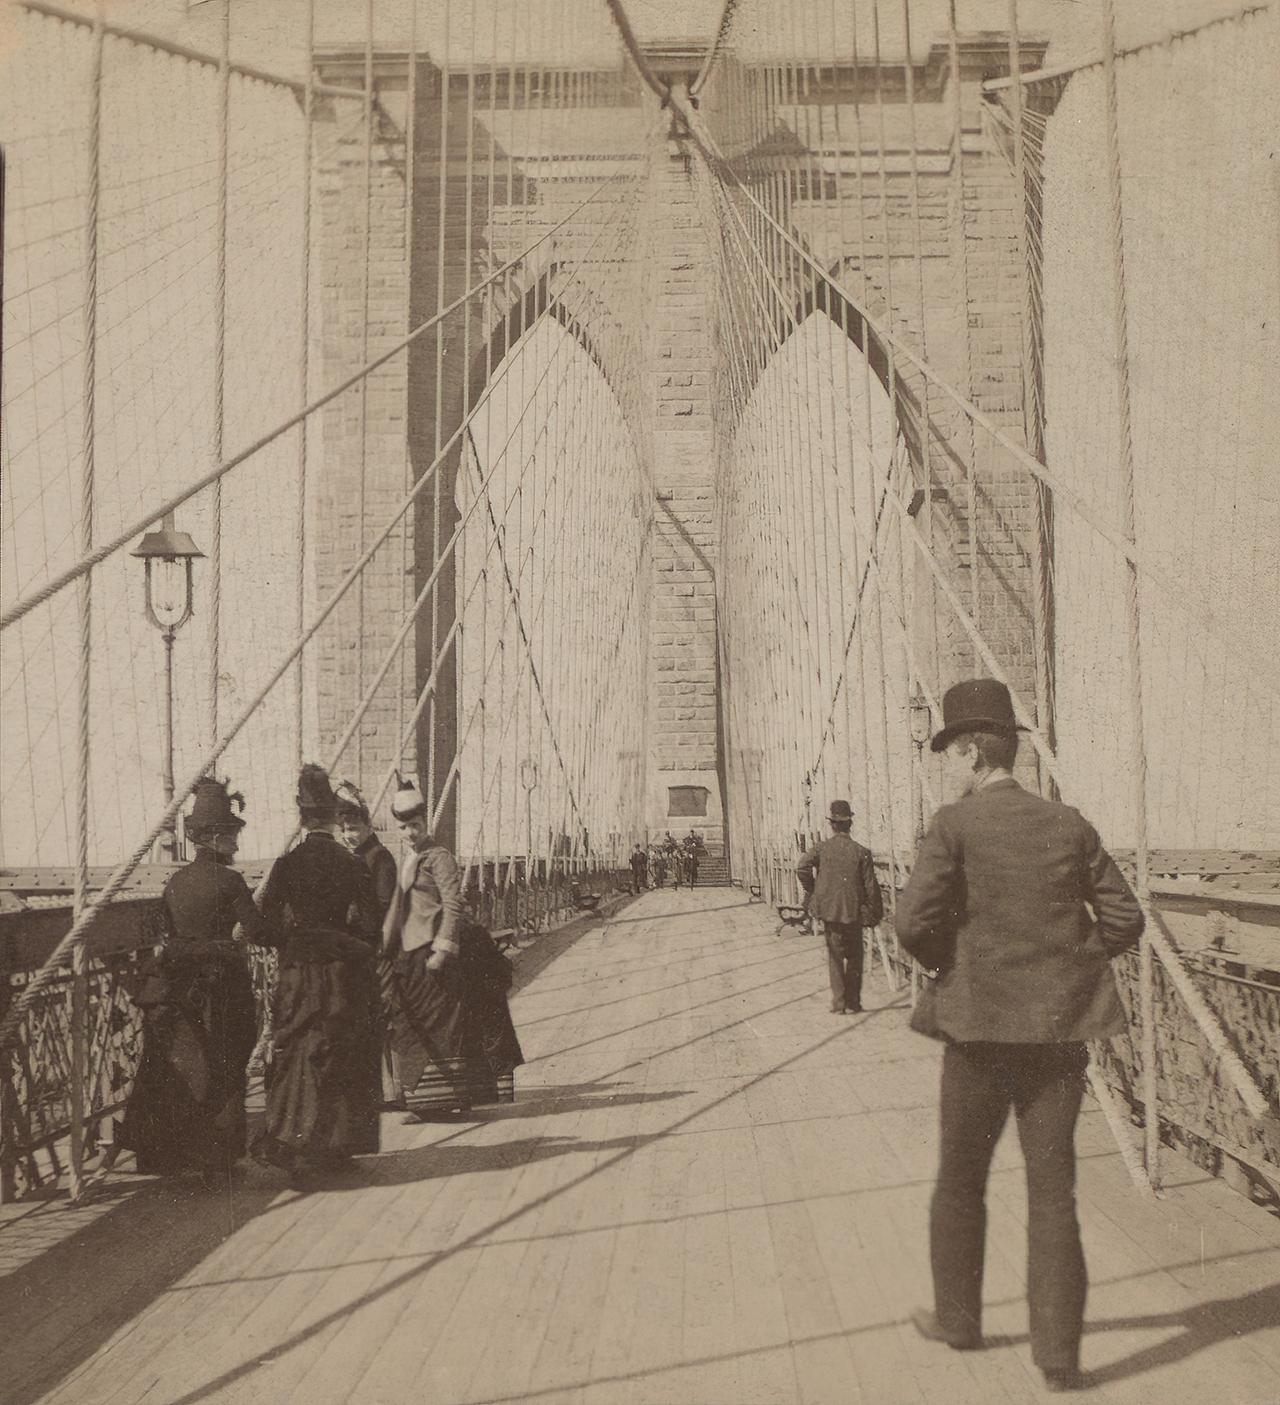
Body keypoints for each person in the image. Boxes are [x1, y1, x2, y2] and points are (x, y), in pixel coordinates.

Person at [895, 678, 1144, 1394]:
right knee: (1053, 1192)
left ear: (972, 751)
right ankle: (1060, 1360)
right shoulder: (1070, 823)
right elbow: (1124, 920)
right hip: (1058, 1038)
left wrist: (953, 963)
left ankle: (959, 1320)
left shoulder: (954, 824)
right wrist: (1070, 968)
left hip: (975, 1034)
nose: (947, 765)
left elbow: (913, 923)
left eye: (949, 751)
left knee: (961, 1180)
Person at [92, 778, 272, 1187]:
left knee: (188, 1068)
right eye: (231, 835)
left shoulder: (175, 883)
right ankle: (220, 1161)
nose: (236, 844)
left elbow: (166, 932)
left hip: (180, 987)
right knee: (227, 1067)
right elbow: (259, 931)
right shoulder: (231, 882)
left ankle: (176, 1153)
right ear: (213, 837)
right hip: (222, 985)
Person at [253, 764, 382, 1180]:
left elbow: (262, 927)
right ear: (332, 816)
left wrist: (291, 939)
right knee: (341, 1048)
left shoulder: (286, 865)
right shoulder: (351, 864)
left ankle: (295, 1143)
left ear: (301, 816)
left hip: (297, 972)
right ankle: (337, 1146)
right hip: (340, 971)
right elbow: (370, 926)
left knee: (296, 1051)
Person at [381, 776, 524, 1120]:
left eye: (415, 826)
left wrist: (443, 949)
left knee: (441, 1027)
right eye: (404, 828)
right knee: (420, 1027)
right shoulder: (409, 861)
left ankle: (441, 1103)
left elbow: (453, 903)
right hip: (412, 955)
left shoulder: (438, 857)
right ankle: (427, 1103)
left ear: (424, 823)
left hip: (435, 954)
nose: (410, 834)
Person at [795, 800, 883, 1014]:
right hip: (854, 911)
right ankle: (853, 1002)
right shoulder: (861, 852)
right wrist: (874, 913)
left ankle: (839, 1003)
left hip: (830, 910)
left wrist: (813, 890)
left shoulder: (822, 849)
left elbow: (802, 867)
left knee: (835, 957)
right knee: (855, 957)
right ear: (849, 824)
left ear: (833, 825)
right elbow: (871, 887)